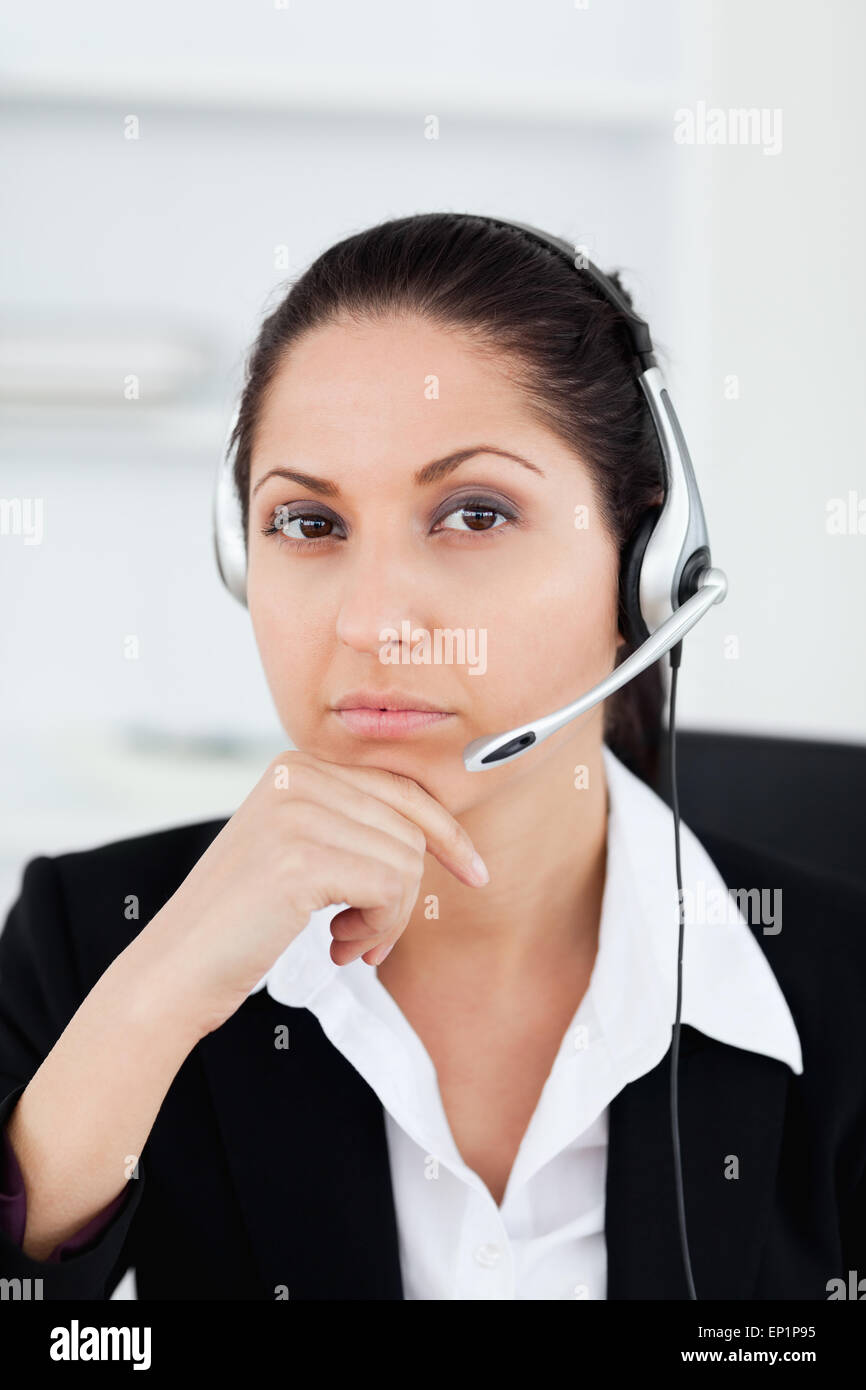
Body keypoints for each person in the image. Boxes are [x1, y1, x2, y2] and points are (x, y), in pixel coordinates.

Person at [1, 212, 864, 1301]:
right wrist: (159, 994)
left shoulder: (838, 990)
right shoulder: (92, 939)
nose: (371, 621)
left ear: (644, 568)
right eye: (308, 524)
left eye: (471, 512)